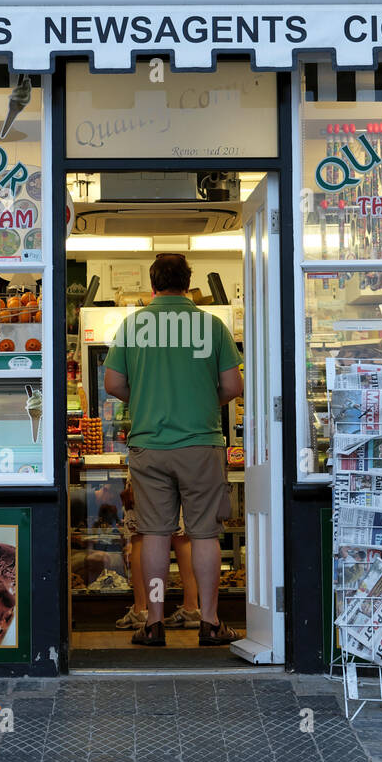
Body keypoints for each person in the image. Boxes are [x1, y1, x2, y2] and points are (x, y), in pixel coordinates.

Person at [104, 253, 243, 646]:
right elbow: (233, 388)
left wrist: (146, 399)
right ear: (188, 283)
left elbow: (113, 384)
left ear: (153, 285)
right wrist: (198, 402)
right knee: (203, 536)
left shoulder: (133, 326)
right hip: (201, 444)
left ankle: (153, 621)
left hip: (149, 445)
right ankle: (210, 622)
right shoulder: (211, 325)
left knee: (154, 535)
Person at [114, 481, 202, 631]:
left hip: (148, 470)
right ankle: (192, 608)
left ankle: (143, 611)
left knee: (141, 536)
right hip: (181, 470)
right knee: (182, 537)